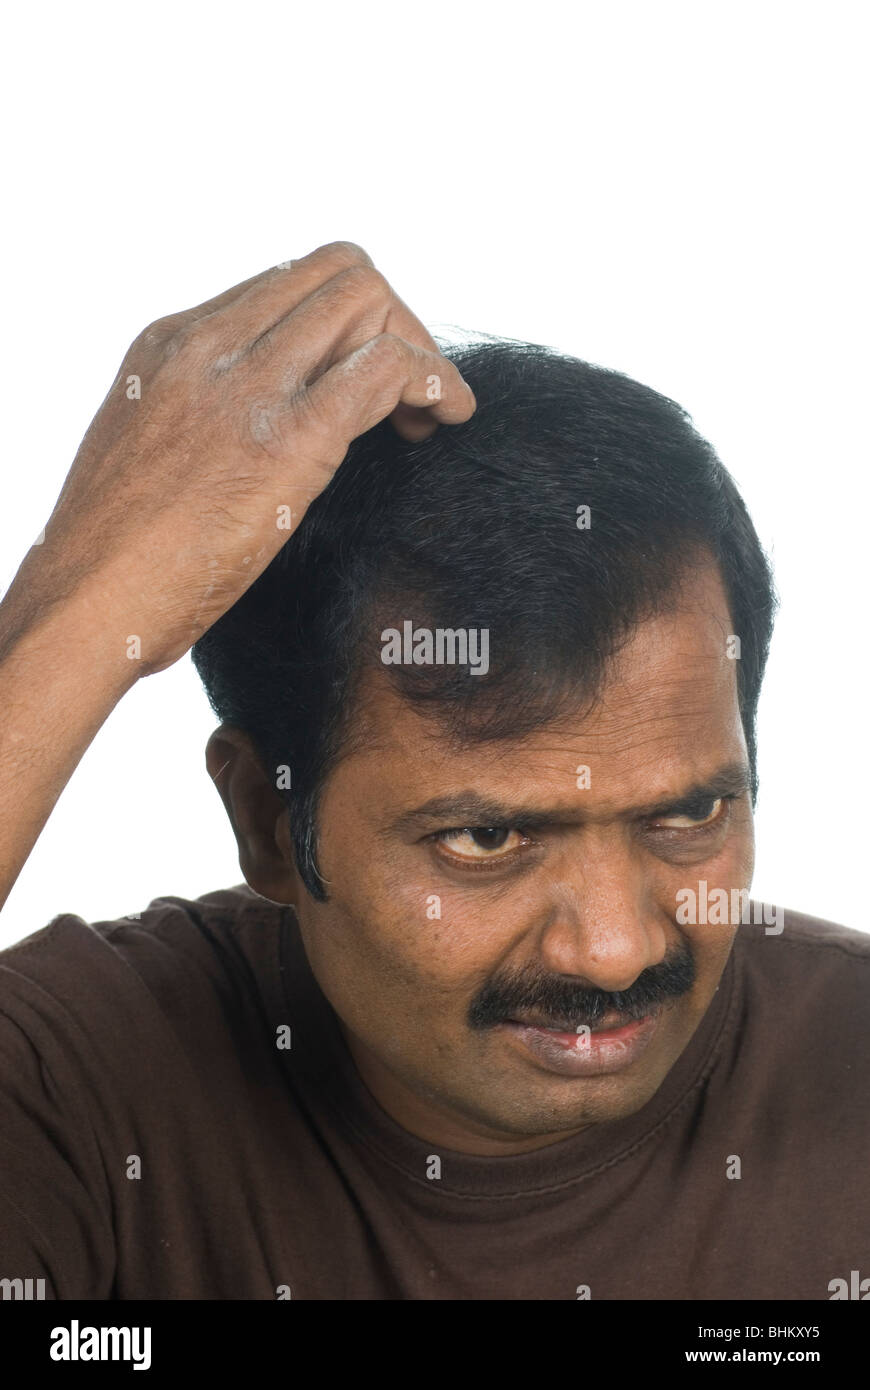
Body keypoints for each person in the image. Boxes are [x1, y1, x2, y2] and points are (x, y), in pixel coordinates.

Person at [0, 243, 867, 1301]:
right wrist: (82, 606)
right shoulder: (71, 1088)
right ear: (271, 822)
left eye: (689, 812)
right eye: (488, 838)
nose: (614, 948)